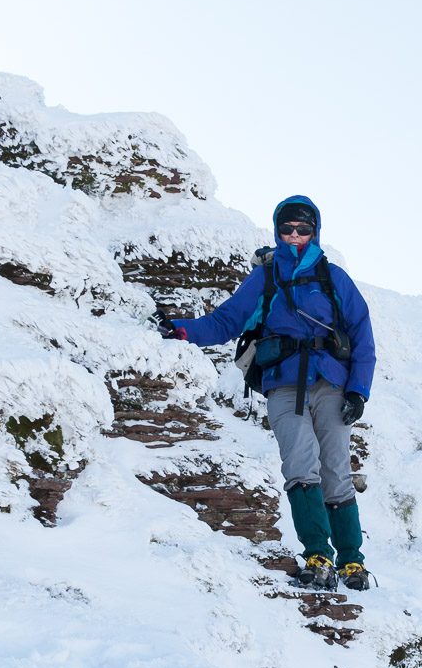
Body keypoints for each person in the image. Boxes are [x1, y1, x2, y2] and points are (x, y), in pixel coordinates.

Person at [157, 196, 376, 592]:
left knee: (337, 470)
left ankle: (352, 561)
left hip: (332, 383)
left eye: (303, 229)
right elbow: (227, 319)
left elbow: (362, 335)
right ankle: (317, 555)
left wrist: (358, 391)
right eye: (287, 229)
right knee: (301, 464)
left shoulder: (333, 277)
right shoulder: (266, 276)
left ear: (315, 232)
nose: (294, 236)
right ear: (277, 230)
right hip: (284, 384)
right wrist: (182, 330)